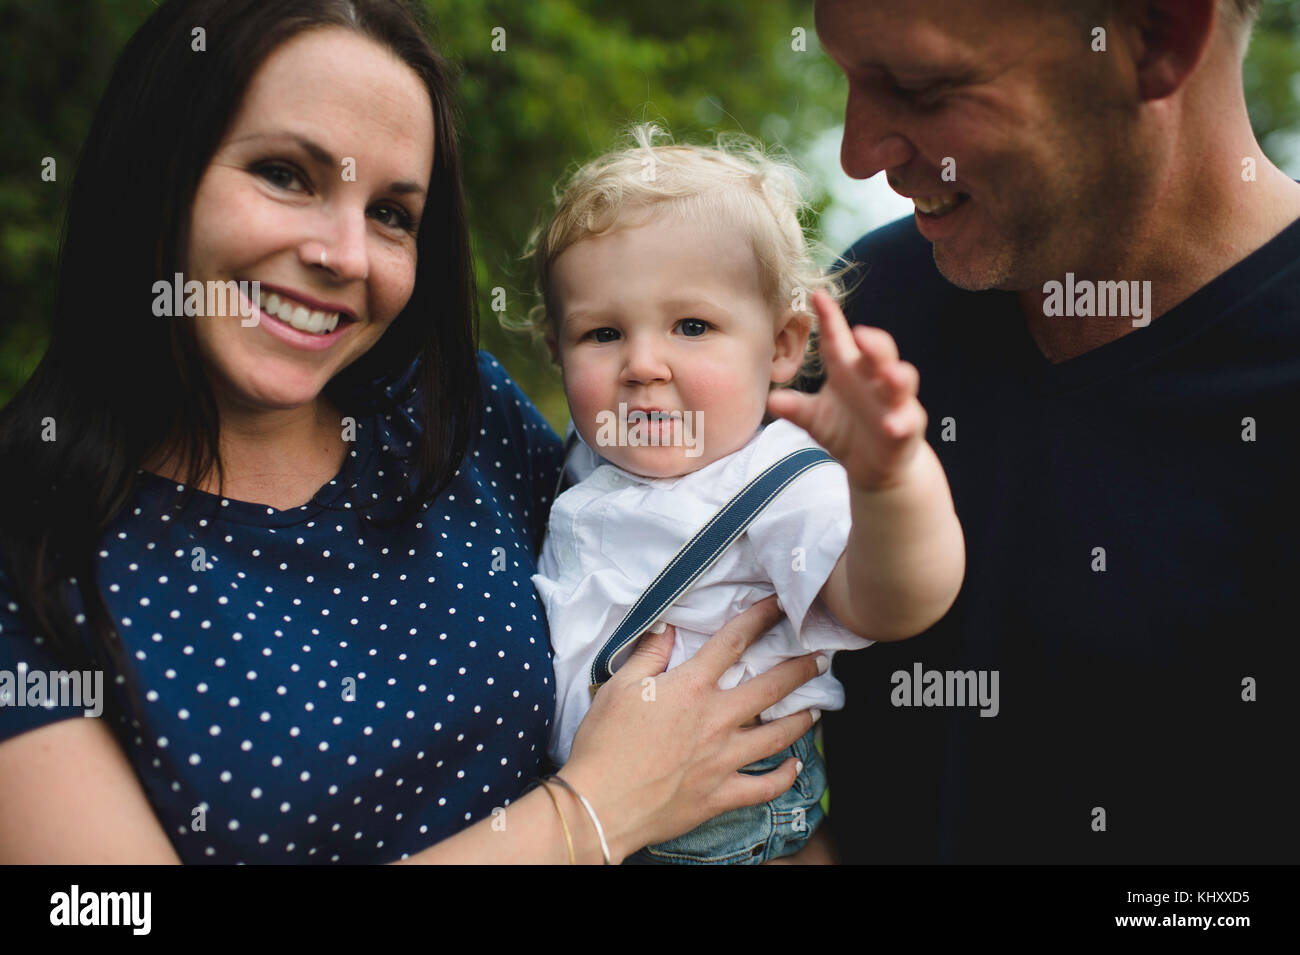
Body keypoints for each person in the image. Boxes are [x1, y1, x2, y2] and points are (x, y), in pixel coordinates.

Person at [0, 0, 826, 865]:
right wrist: (592, 813)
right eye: (285, 174)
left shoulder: (450, 414)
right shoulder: (31, 557)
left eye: (392, 213)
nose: (345, 254)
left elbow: (673, 571)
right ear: (156, 167)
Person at [815, 0, 1300, 862]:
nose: (860, 155)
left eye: (918, 87)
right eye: (847, 75)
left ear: (1157, 37)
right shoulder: (856, 323)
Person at [515, 128, 964, 863]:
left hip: (717, 839)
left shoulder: (776, 480)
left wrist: (890, 479)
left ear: (784, 346)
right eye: (601, 332)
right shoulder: (586, 463)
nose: (643, 363)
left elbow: (897, 599)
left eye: (692, 325)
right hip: (581, 820)